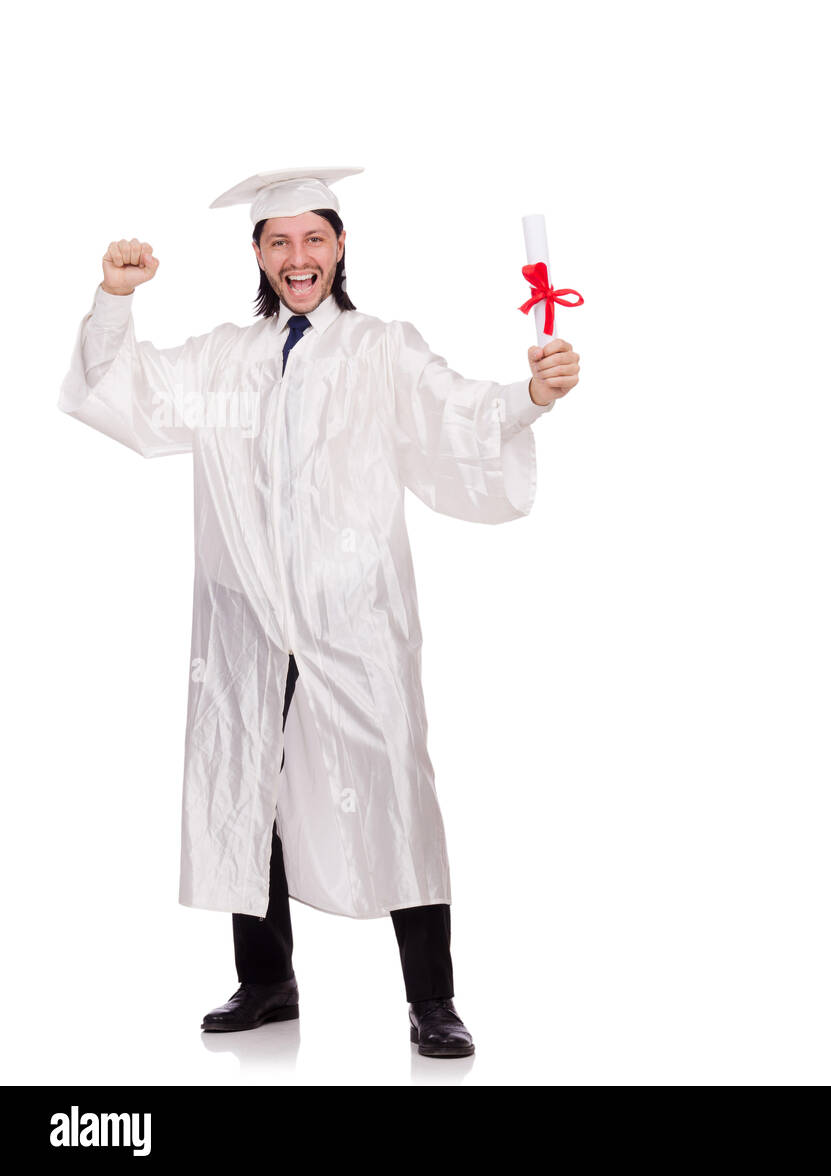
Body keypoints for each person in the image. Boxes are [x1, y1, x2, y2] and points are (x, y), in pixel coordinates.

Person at [58, 167, 580, 1058]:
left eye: (313, 239)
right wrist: (114, 299)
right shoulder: (228, 359)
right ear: (257, 255)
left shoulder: (379, 350)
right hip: (249, 615)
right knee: (246, 779)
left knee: (396, 789)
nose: (297, 257)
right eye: (278, 241)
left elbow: (459, 410)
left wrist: (531, 394)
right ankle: (266, 982)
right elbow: (128, 395)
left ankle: (432, 1000)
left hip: (354, 616)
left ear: (340, 248)